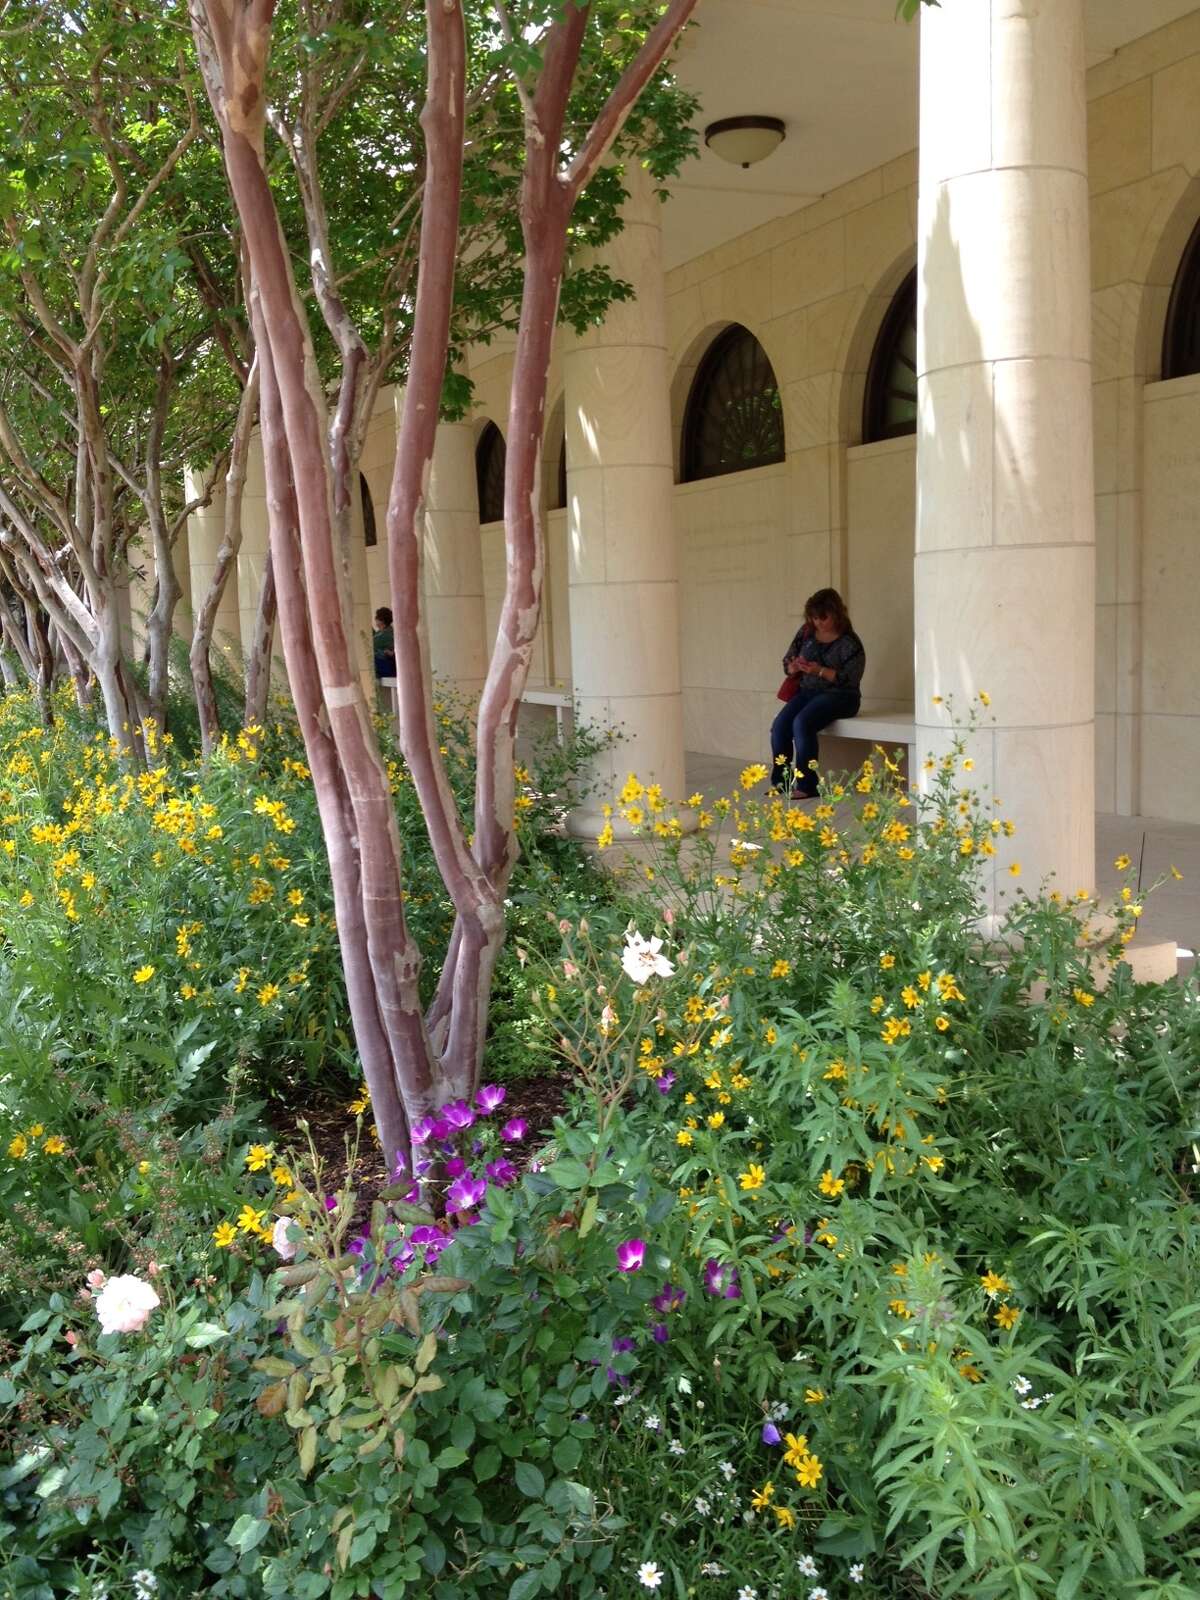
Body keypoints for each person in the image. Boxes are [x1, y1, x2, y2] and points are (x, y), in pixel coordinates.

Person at [769, 588, 865, 799]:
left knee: (802, 723)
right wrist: (794, 667)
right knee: (780, 727)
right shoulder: (806, 632)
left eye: (823, 617)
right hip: (807, 692)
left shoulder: (850, 642)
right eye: (814, 617)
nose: (818, 622)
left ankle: (807, 785)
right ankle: (782, 782)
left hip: (841, 696)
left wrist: (819, 671)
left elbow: (850, 679)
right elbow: (787, 661)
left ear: (836, 614)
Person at [373, 607, 396, 680]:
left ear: (382, 620)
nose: (375, 619)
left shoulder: (386, 634)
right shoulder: (381, 632)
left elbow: (373, 644)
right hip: (384, 665)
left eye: (377, 617)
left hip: (386, 666)